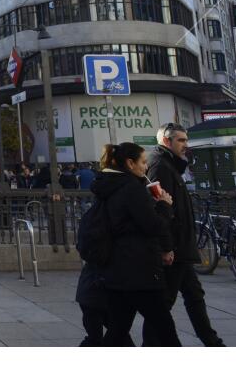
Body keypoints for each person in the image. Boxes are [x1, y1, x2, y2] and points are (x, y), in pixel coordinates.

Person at [92, 142, 180, 347]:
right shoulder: (132, 189)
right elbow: (153, 226)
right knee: (165, 330)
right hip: (140, 270)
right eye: (142, 162)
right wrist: (165, 206)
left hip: (116, 268)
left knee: (118, 330)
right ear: (130, 163)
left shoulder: (108, 186)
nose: (146, 167)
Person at [148, 123, 224, 346]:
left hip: (181, 247)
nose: (185, 145)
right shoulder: (160, 165)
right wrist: (166, 246)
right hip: (174, 249)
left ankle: (212, 342)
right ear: (166, 141)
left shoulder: (170, 165)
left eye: (185, 140)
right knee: (164, 303)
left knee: (194, 296)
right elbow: (161, 210)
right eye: (180, 140)